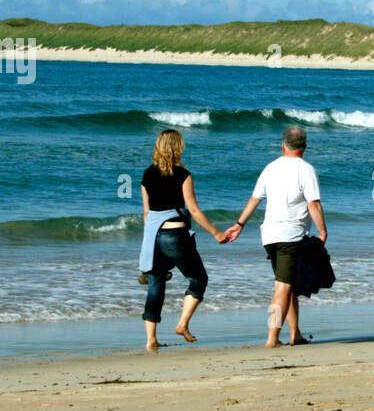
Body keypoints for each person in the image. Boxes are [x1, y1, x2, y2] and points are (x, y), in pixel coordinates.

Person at [223, 125, 327, 347]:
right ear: (305, 147)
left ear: (283, 145)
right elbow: (314, 204)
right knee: (282, 287)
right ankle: (272, 337)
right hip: (291, 235)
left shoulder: (270, 168)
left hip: (269, 235)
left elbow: (254, 199)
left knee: (287, 285)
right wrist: (323, 231)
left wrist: (239, 224)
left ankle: (295, 334)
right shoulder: (305, 169)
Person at [139, 129, 229, 349]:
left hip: (154, 235)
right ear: (178, 148)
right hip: (175, 234)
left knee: (155, 285)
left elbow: (146, 213)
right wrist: (216, 233)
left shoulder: (147, 174)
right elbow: (194, 210)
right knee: (198, 279)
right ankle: (182, 324)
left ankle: (151, 340)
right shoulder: (183, 174)